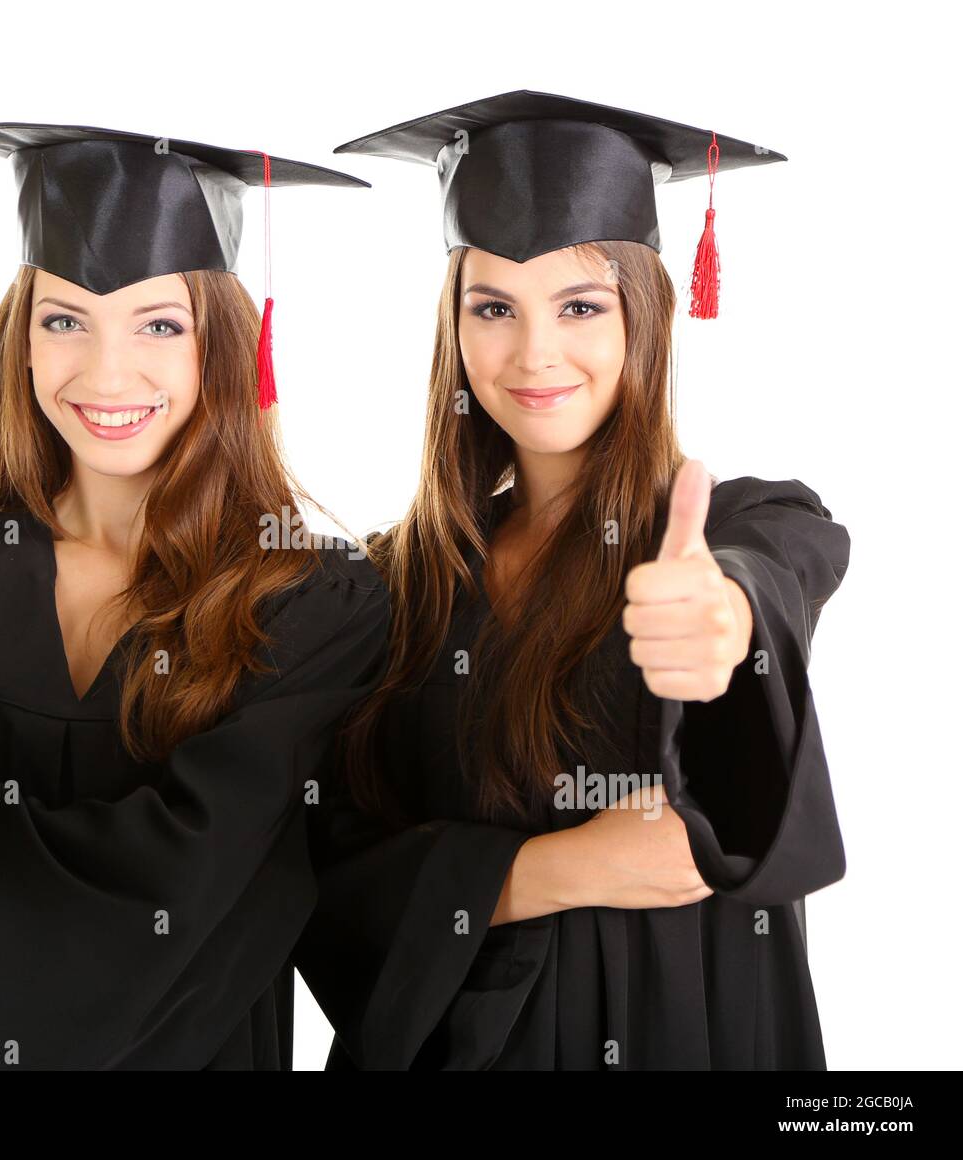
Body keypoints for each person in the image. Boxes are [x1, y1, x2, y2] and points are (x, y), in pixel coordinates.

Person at [0, 121, 386, 1069]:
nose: (107, 373)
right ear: (21, 342)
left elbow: (183, 890)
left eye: (159, 324)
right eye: (65, 320)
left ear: (224, 347)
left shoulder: (309, 608)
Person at [293, 91, 850, 1070]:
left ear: (645, 313)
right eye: (493, 307)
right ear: (453, 329)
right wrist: (547, 868)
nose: (533, 352)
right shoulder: (389, 587)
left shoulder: (732, 528)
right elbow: (324, 871)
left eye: (580, 305)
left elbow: (782, 567)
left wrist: (724, 614)